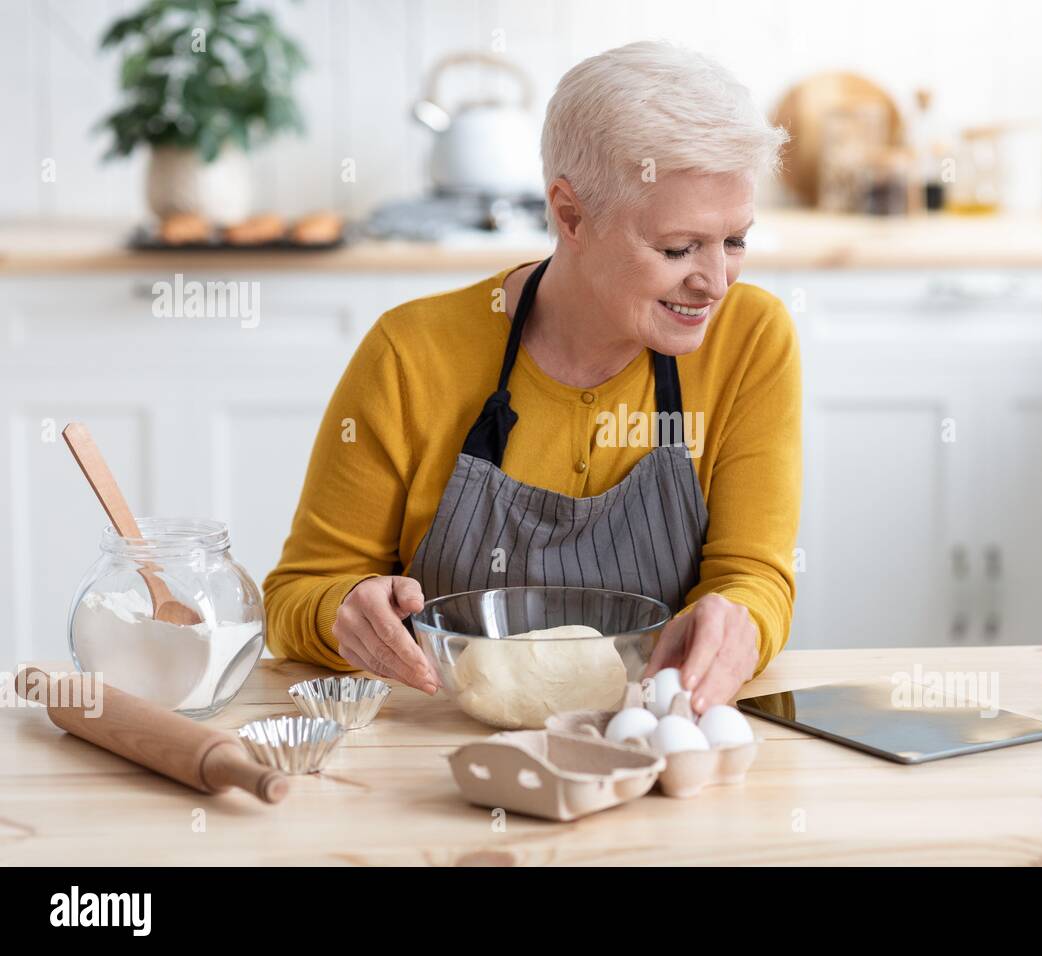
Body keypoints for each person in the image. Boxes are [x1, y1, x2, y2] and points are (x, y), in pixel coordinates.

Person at [263, 40, 800, 714]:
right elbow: (296, 595)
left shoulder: (751, 339)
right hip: (442, 755)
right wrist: (342, 609)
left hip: (650, 745)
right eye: (677, 248)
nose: (715, 281)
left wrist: (741, 619)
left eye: (736, 240)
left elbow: (753, 578)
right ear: (571, 215)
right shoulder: (410, 354)